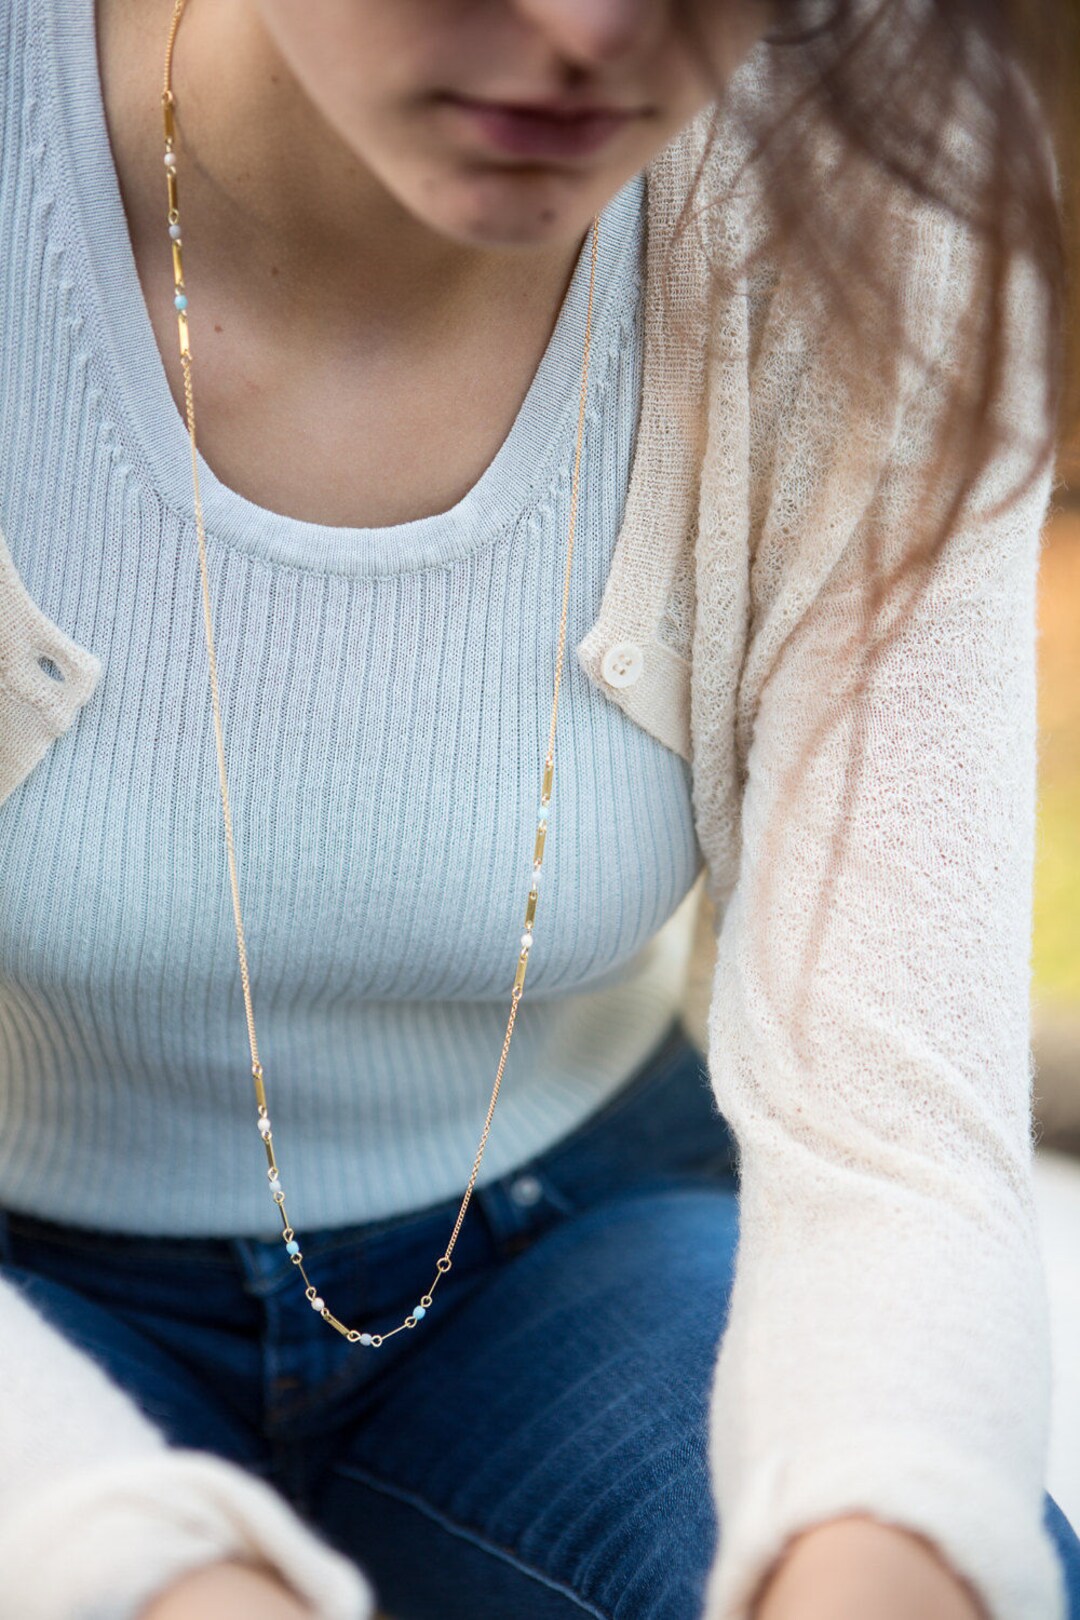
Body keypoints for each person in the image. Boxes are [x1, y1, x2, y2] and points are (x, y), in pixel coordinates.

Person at [0, 0, 1077, 1617]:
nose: (591, 29)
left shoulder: (871, 168)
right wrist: (134, 1571)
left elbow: (897, 1139)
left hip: (572, 1241)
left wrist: (888, 1550)